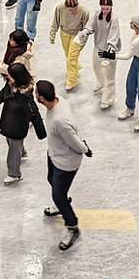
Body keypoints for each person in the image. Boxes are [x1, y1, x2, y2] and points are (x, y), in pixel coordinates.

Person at [35, 80, 90, 251]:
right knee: (50, 179)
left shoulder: (60, 121)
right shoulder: (58, 101)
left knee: (58, 196)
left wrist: (85, 148)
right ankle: (62, 203)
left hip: (65, 163)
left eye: (37, 93)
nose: (35, 95)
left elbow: (73, 140)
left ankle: (73, 228)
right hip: (54, 154)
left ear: (42, 98)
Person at [0, 63, 46, 185]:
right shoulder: (10, 86)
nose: (7, 76)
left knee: (13, 151)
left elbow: (34, 114)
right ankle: (22, 152)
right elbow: (1, 95)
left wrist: (41, 133)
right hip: (8, 120)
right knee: (11, 142)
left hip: (18, 126)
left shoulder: (26, 97)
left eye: (11, 75)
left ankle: (14, 174)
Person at [115, 14, 139, 132]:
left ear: (137, 26)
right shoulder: (136, 35)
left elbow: (127, 56)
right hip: (136, 62)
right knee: (130, 85)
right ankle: (130, 108)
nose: (130, 23)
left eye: (132, 22)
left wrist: (112, 56)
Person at [49, 0, 90, 92]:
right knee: (68, 54)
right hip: (64, 33)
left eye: (75, 9)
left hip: (77, 36)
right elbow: (56, 21)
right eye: (70, 10)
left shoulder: (84, 12)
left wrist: (82, 42)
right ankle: (76, 68)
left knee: (71, 58)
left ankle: (71, 81)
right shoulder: (60, 8)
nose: (73, 11)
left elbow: (86, 28)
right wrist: (52, 34)